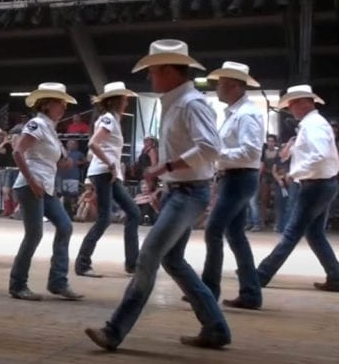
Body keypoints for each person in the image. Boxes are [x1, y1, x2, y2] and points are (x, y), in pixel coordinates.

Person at [86, 39, 230, 350]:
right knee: (173, 261)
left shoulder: (191, 103)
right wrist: (164, 173)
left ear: (166, 69)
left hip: (189, 192)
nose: (149, 77)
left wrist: (165, 166)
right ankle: (216, 327)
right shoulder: (177, 102)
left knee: (149, 256)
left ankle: (114, 330)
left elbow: (210, 147)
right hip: (182, 190)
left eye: (152, 71)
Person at [256, 85, 339, 292]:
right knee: (314, 234)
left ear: (304, 103)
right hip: (322, 184)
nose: (290, 108)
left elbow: (319, 155)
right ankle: (336, 276)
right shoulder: (313, 124)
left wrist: (293, 173)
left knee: (292, 232)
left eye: (292, 104)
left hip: (315, 185)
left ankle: (261, 275)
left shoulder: (313, 126)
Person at [197, 61, 265, 310]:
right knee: (235, 235)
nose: (218, 88)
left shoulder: (246, 114)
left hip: (239, 177)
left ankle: (207, 289)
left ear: (235, 86)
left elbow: (250, 151)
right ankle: (250, 293)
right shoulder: (238, 112)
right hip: (236, 177)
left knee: (213, 230)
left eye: (222, 84)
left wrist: (216, 154)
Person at [9, 82, 82, 301]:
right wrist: (31, 180)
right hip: (32, 185)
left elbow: (58, 161)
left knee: (65, 226)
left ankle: (58, 281)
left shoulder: (50, 129)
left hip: (45, 187)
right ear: (47, 104)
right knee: (35, 234)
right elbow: (17, 151)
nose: (64, 108)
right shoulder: (36, 124)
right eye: (60, 103)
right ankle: (18, 284)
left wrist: (66, 162)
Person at [75, 82, 141, 277]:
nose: (127, 101)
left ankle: (132, 263)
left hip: (108, 173)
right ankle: (83, 263)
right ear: (117, 100)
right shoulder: (109, 119)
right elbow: (93, 144)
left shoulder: (110, 119)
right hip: (105, 172)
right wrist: (111, 164)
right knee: (105, 218)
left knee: (133, 213)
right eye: (124, 98)